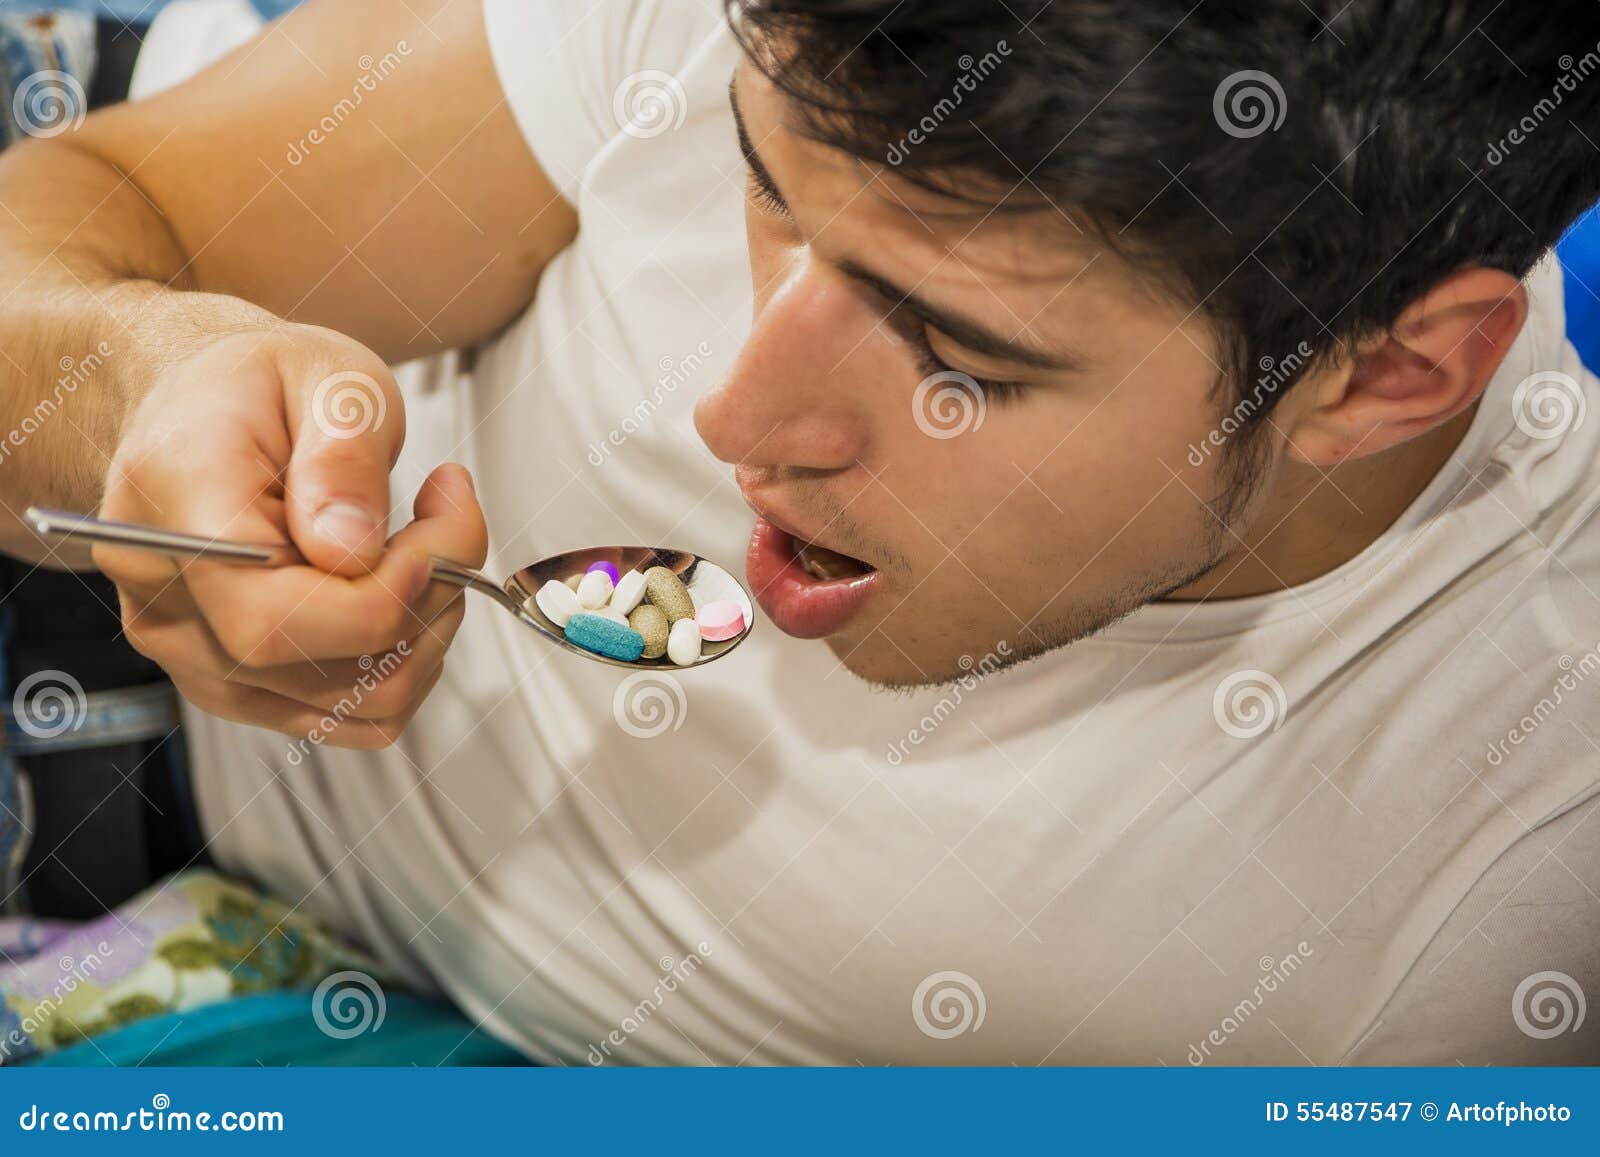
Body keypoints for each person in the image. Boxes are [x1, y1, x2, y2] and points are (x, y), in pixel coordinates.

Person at [0, 0, 1597, 1064]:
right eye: (757, 185)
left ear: (1388, 371)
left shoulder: (1496, 892)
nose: (735, 418)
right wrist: (139, 388)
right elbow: (86, 207)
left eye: (959, 361)